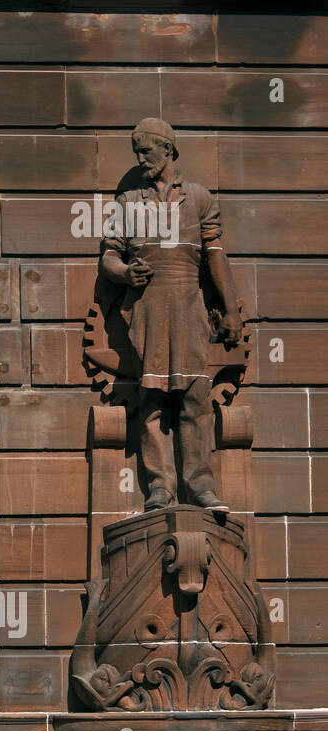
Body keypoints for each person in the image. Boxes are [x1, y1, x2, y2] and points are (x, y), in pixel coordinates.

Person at [99, 118, 240, 511]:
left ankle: (201, 487)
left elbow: (215, 256)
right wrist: (126, 273)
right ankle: (160, 488)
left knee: (195, 397)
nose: (141, 159)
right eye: (136, 152)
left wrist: (231, 311)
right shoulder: (127, 202)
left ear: (168, 150)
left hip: (190, 306)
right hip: (146, 308)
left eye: (146, 151)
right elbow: (108, 258)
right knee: (153, 399)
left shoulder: (197, 198)